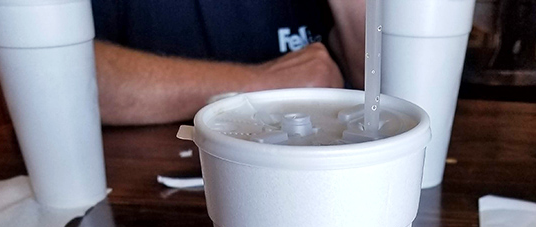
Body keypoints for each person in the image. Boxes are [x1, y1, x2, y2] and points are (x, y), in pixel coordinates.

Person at [91, 0, 365, 125]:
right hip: (150, 195)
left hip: (327, 181)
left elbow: (391, 96)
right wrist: (260, 85)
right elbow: (68, 77)